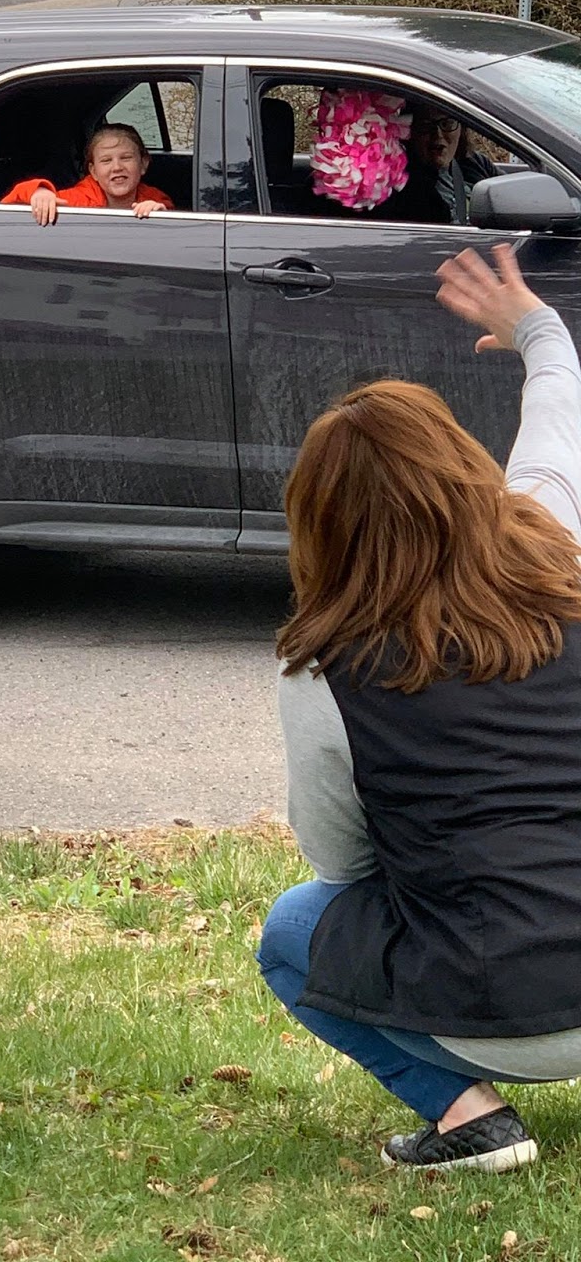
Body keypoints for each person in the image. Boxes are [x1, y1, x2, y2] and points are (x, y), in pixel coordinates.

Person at [258, 243, 581, 1173]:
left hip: (492, 1011)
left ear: (319, 520)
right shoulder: (557, 547)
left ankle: (468, 1118)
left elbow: (341, 863)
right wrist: (537, 327)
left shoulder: (325, 671)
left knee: (294, 930)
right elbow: (556, 413)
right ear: (467, 471)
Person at [2, 123, 174, 226]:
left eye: (126, 158)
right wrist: (39, 192)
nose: (117, 167)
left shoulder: (154, 198)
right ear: (94, 172)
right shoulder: (76, 200)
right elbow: (8, 205)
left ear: (143, 164)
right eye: (106, 161)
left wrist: (160, 214)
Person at [368, 106, 498, 225]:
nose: (438, 135)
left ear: (461, 128)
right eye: (426, 125)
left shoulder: (475, 163)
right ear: (409, 132)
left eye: (447, 124)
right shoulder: (402, 188)